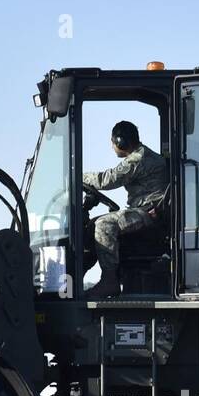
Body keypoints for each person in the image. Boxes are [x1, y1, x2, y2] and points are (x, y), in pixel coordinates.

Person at [82, 121, 170, 299]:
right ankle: (77, 277)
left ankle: (109, 281)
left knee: (104, 224)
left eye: (113, 142)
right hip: (143, 211)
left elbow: (107, 180)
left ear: (120, 141)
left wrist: (76, 175)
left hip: (148, 214)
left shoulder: (139, 158)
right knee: (91, 226)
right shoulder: (142, 156)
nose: (112, 146)